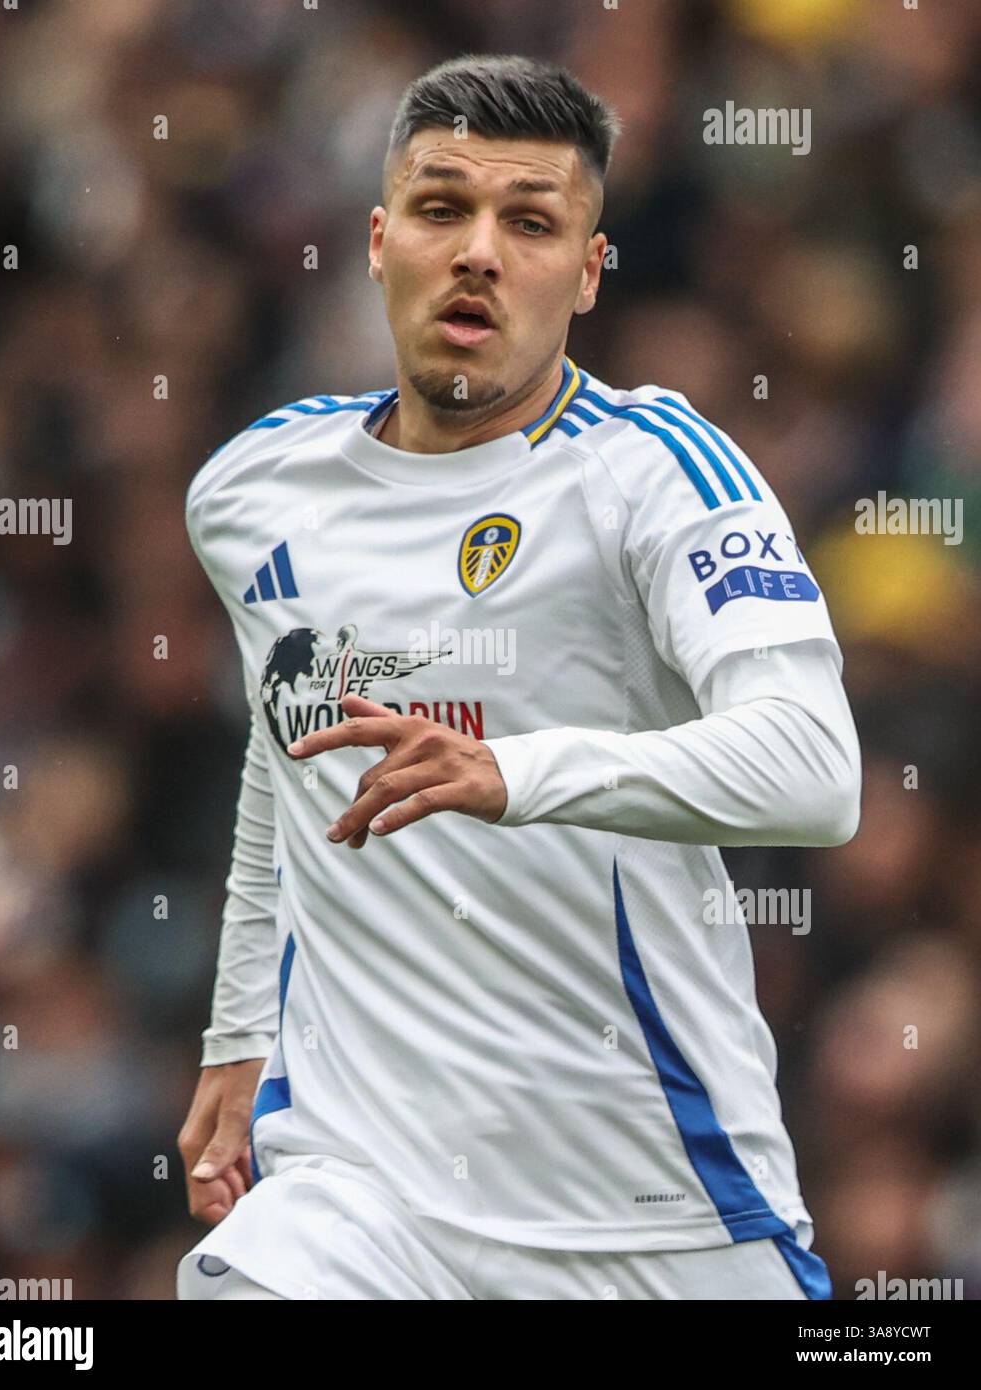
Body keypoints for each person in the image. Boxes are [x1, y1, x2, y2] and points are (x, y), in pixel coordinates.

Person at [176, 53, 860, 1301]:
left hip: (650, 1207)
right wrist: (237, 1036)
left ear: (589, 273)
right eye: (443, 209)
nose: (479, 251)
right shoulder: (251, 490)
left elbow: (815, 771)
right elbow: (285, 767)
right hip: (363, 1187)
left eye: (530, 222)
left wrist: (514, 772)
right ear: (379, 243)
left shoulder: (655, 474)